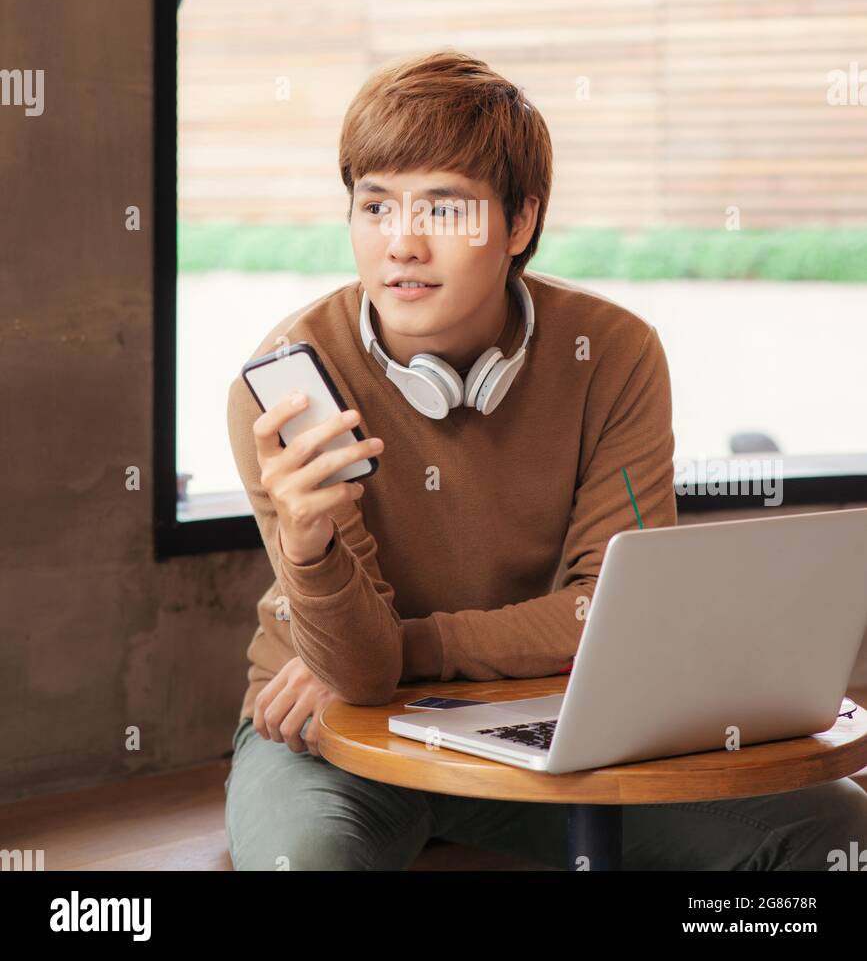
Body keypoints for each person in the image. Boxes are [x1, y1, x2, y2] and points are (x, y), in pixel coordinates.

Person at [224, 49, 867, 871]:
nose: (401, 244)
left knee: (838, 835)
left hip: (548, 721)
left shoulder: (613, 354)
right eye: (374, 205)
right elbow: (357, 670)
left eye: (444, 210)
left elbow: (606, 612)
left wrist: (408, 651)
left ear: (519, 222)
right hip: (327, 729)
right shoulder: (287, 383)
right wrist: (311, 555)